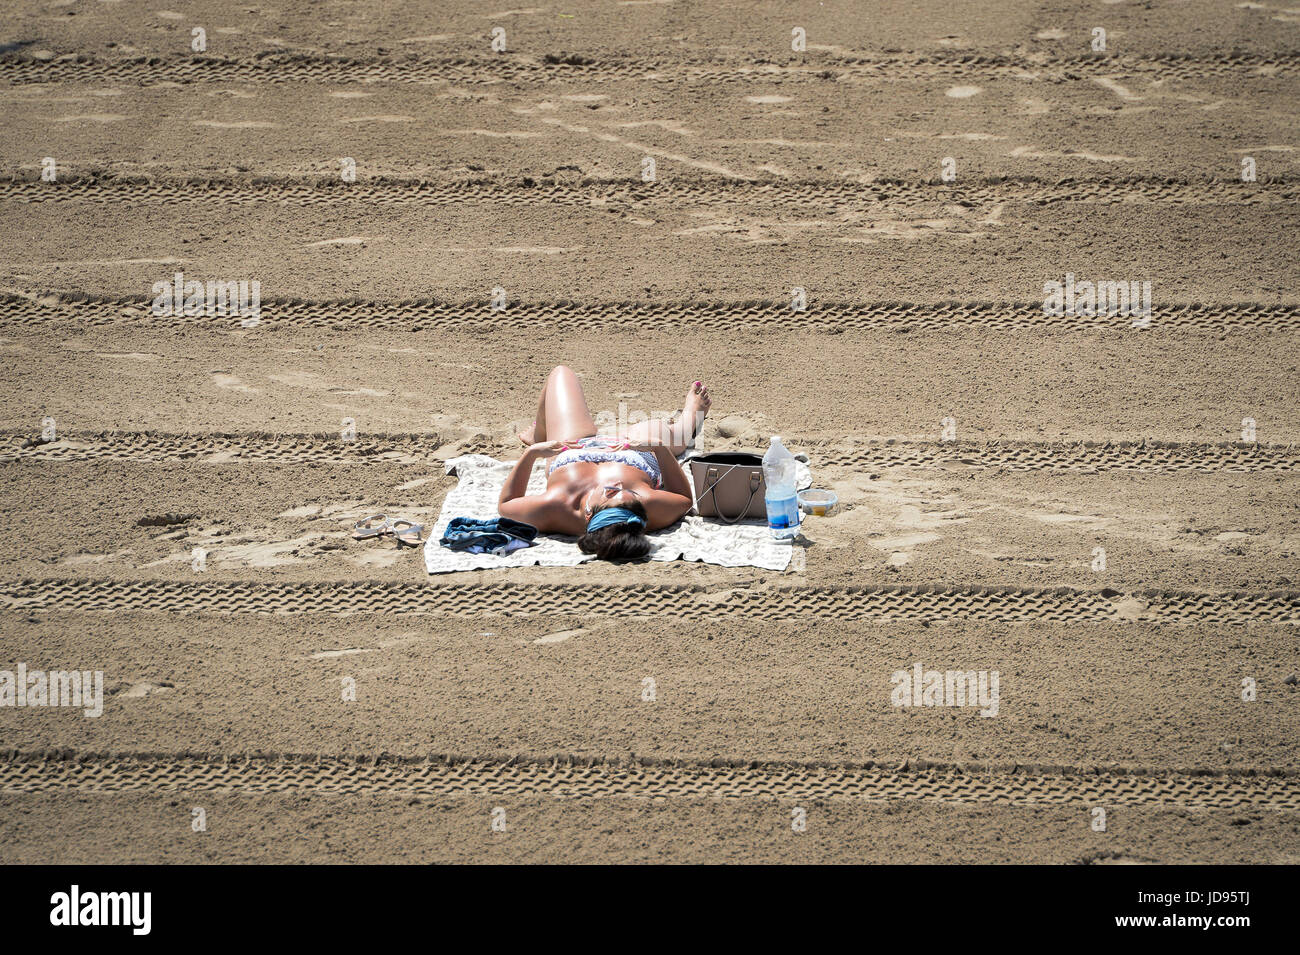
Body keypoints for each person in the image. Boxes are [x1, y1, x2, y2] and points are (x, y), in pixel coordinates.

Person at [498, 366, 712, 560]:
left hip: (575, 447)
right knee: (668, 434)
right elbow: (684, 497)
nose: (618, 485)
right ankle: (691, 418)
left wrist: (531, 454)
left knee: (561, 374)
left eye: (611, 492)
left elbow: (506, 504)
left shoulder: (556, 507)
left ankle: (539, 434)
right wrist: (657, 448)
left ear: (589, 512)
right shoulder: (640, 508)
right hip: (635, 453)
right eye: (632, 493)